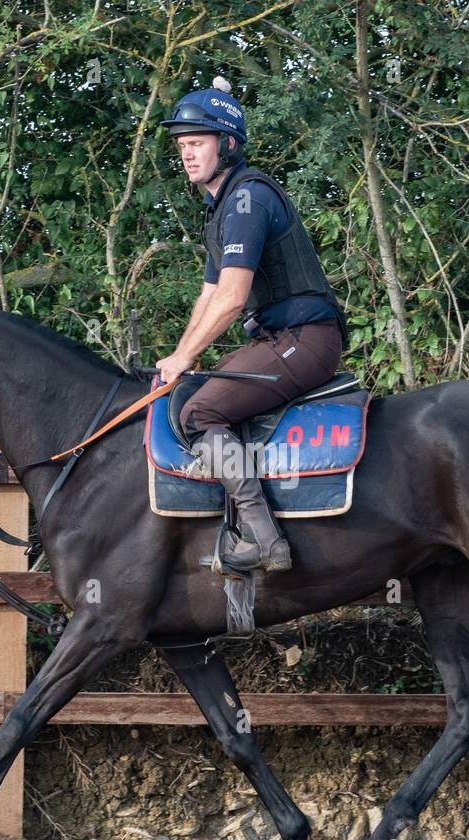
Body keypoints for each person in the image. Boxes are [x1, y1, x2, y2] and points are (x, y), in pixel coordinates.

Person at [155, 77, 349, 573]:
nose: (187, 154)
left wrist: (183, 358)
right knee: (191, 391)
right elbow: (208, 296)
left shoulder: (248, 199)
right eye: (182, 145)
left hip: (305, 340)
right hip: (277, 339)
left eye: (197, 143)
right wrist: (181, 359)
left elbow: (233, 298)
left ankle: (264, 539)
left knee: (199, 414)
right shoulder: (220, 210)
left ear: (229, 144)